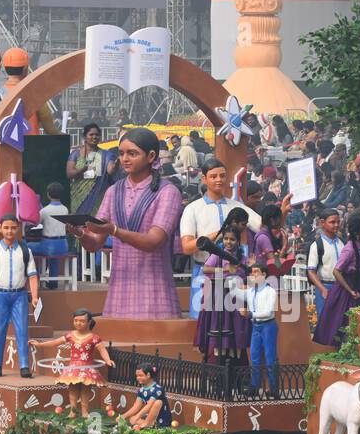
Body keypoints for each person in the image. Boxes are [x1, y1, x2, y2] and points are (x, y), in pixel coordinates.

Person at [71, 128, 183, 319]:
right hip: (119, 292)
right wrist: (80, 233)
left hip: (154, 292)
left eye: (132, 153)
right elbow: (96, 243)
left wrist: (114, 230)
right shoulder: (113, 191)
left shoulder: (168, 192)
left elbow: (154, 241)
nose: (125, 159)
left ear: (151, 156)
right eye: (121, 154)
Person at [178, 157, 260, 318]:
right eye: (213, 176)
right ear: (204, 179)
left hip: (234, 274)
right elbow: (187, 247)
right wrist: (217, 235)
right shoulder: (193, 209)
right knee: (204, 323)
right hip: (205, 272)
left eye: (222, 176)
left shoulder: (236, 206)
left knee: (233, 323)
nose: (219, 180)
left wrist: (282, 214)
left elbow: (261, 226)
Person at [0, 215, 40, 378]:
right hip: (0, 295)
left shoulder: (25, 250)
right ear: (0, 228)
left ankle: (24, 365)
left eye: (13, 228)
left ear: (18, 228)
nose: (9, 231)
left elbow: (33, 276)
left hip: (19, 295)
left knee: (22, 330)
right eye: (6, 227)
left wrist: (34, 296)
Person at [30, 310, 115, 418]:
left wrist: (108, 360)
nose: (78, 323)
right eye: (76, 321)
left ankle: (85, 411)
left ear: (89, 322)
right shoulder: (70, 335)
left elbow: (102, 350)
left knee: (85, 390)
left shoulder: (94, 338)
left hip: (86, 368)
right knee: (73, 389)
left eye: (82, 321)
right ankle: (73, 410)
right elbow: (55, 342)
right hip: (73, 368)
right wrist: (40, 345)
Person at [194, 225, 250, 374]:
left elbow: (247, 274)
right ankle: (217, 372)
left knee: (236, 334)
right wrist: (225, 270)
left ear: (238, 241)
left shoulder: (242, 257)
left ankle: (237, 371)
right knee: (220, 334)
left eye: (232, 239)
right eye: (226, 238)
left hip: (237, 298)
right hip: (219, 296)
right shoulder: (218, 255)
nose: (228, 242)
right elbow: (205, 269)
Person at [313, 212, 360, 346]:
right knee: (343, 324)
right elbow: (337, 271)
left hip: (358, 288)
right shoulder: (349, 249)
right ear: (357, 234)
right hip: (347, 292)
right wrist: (350, 290)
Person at [240, 262, 279, 395]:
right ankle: (255, 386)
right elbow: (236, 293)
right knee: (254, 357)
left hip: (268, 325)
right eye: (252, 272)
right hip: (256, 326)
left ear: (264, 274)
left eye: (256, 272)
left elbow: (268, 312)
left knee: (270, 357)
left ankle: (273, 388)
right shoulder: (251, 291)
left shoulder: (270, 291)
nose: (253, 274)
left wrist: (250, 314)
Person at [305, 209, 345, 322]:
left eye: (338, 222)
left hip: (342, 287)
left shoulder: (343, 242)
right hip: (325, 286)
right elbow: (311, 272)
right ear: (322, 223)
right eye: (332, 222)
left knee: (341, 321)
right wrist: (322, 289)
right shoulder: (317, 245)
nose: (336, 225)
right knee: (325, 322)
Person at [119, 363, 172, 429]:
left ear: (148, 375)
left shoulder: (157, 389)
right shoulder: (141, 390)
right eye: (137, 376)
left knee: (158, 402)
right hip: (151, 418)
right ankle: (151, 424)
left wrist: (137, 417)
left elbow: (149, 406)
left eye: (141, 375)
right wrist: (123, 416)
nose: (138, 378)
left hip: (162, 420)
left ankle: (148, 423)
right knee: (131, 418)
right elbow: (136, 406)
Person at [37, 182, 71, 278]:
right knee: (54, 258)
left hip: (48, 245)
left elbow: (37, 223)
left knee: (29, 248)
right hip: (63, 246)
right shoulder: (65, 209)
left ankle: (37, 277)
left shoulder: (44, 211)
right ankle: (53, 283)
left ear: (48, 194)